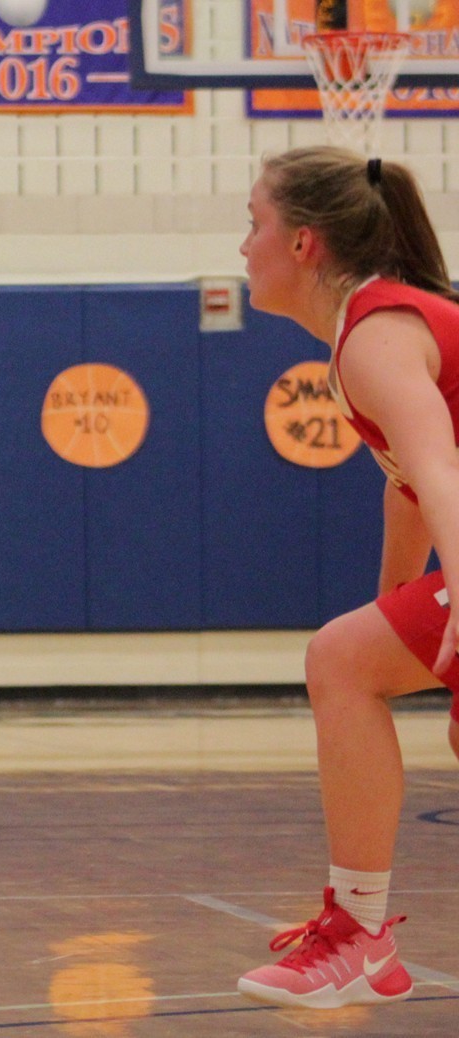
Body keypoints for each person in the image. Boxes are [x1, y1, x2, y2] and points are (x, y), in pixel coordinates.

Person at [235, 145, 459, 1009]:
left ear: (303, 243)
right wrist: (394, 623)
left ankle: (358, 934)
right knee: (350, 662)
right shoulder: (371, 329)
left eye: (253, 223)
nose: (242, 246)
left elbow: (438, 471)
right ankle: (362, 938)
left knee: (338, 658)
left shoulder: (377, 333)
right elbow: (412, 491)